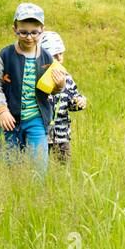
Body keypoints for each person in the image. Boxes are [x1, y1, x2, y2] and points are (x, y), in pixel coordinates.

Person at [0, 2, 65, 173]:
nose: (29, 37)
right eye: (23, 32)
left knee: (39, 166)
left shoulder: (47, 57)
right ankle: (12, 192)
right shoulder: (5, 55)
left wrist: (59, 85)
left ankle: (37, 195)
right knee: (10, 165)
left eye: (34, 32)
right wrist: (2, 110)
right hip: (10, 120)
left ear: (42, 30)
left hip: (37, 120)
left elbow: (50, 89)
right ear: (15, 29)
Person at [39, 30, 86, 164]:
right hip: (42, 136)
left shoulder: (67, 78)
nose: (59, 58)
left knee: (63, 167)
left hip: (62, 136)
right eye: (55, 55)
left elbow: (72, 99)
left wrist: (79, 101)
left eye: (61, 54)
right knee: (41, 167)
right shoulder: (38, 79)